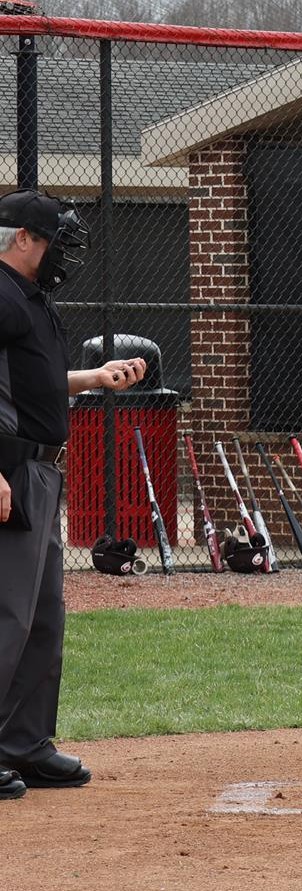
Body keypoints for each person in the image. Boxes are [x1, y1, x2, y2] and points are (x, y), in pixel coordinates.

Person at [0, 189, 150, 796]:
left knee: (41, 616)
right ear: (22, 238)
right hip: (10, 471)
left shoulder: (27, 298)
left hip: (39, 473)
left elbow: (29, 382)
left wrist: (93, 378)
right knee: (6, 614)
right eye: (54, 241)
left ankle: (24, 744)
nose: (62, 254)